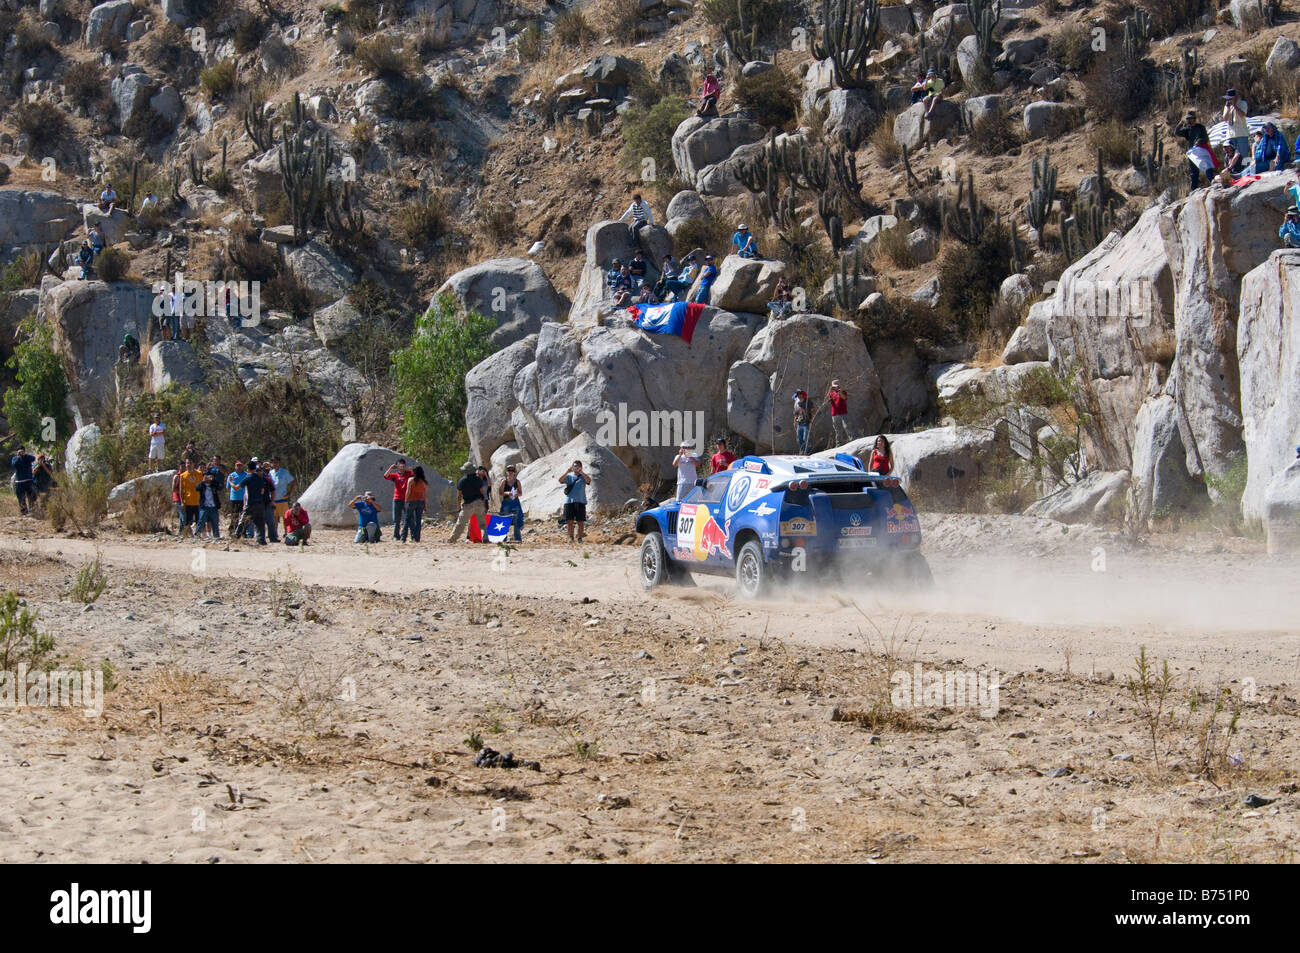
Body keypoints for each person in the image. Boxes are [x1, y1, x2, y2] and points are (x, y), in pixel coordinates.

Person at [449, 464, 487, 543]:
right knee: (482, 524)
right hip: (479, 503)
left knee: (460, 523)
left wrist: (459, 507)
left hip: (468, 505)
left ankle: (452, 539)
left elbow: (459, 495)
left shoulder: (462, 480)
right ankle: (485, 537)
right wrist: (483, 505)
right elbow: (482, 493)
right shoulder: (478, 479)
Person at [235, 463, 271, 544]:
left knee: (243, 520)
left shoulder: (248, 478)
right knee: (260, 523)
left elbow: (236, 488)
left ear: (248, 468)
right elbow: (262, 491)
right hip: (260, 503)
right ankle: (261, 540)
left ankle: (236, 536)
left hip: (250, 503)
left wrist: (230, 482)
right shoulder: (260, 478)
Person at [1174, 109, 1209, 189]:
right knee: (1194, 172)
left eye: (1191, 119)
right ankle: (1193, 189)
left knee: (1207, 168)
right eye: (1188, 119)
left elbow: (1205, 138)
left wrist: (1199, 141)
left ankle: (1211, 182)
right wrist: (1180, 124)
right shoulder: (1187, 129)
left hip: (1201, 150)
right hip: (1192, 152)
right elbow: (1177, 132)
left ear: (1194, 119)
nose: (1189, 121)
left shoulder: (1200, 127)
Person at [559, 459, 591, 542]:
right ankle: (571, 537)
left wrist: (582, 473)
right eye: (574, 466)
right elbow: (560, 480)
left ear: (581, 467)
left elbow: (589, 481)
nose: (575, 467)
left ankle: (580, 538)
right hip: (569, 501)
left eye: (577, 466)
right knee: (569, 521)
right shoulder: (569, 476)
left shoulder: (583, 477)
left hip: (580, 501)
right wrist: (567, 472)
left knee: (580, 521)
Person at [384, 459, 411, 540]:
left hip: (407, 499)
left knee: (408, 518)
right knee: (396, 519)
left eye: (403, 465)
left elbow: (415, 473)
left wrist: (407, 468)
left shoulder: (409, 474)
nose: (401, 467)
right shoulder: (395, 475)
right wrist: (391, 468)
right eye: (399, 465)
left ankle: (406, 535)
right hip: (397, 498)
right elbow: (385, 476)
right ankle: (396, 535)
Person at [498, 465, 524, 543]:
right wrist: (507, 493)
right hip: (506, 502)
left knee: (516, 520)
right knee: (504, 520)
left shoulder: (517, 482)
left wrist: (516, 494)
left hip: (515, 502)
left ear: (514, 473)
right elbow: (500, 493)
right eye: (509, 471)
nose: (510, 473)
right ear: (506, 472)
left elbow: (520, 493)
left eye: (512, 471)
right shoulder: (504, 481)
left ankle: (517, 538)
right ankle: (503, 538)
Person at [402, 466, 429, 542]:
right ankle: (417, 538)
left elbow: (408, 491)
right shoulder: (424, 482)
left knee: (407, 520)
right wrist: (425, 505)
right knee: (418, 520)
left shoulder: (411, 480)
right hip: (420, 501)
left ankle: (403, 537)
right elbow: (426, 495)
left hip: (411, 500)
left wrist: (406, 501)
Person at [178, 460, 205, 537]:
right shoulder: (183, 475)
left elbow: (203, 486)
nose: (188, 464)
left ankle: (199, 534)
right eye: (187, 463)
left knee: (199, 520)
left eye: (190, 463)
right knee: (187, 521)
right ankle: (186, 534)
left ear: (193, 464)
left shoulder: (199, 474)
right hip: (187, 501)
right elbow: (181, 489)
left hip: (197, 501)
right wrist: (182, 502)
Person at [1222, 88, 1250, 161]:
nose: (1229, 100)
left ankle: (1247, 169)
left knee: (1244, 155)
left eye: (1231, 98)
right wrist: (1228, 109)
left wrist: (1235, 106)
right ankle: (1232, 169)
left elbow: (1242, 115)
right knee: (1231, 154)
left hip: (1241, 133)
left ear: (1235, 97)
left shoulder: (1242, 103)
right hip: (1231, 134)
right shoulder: (1227, 106)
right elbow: (1225, 118)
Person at [226, 459, 250, 537]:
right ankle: (232, 531)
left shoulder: (246, 475)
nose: (239, 467)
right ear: (235, 466)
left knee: (243, 516)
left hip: (244, 499)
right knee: (234, 516)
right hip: (234, 498)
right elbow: (228, 488)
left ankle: (243, 532)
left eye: (240, 466)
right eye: (237, 466)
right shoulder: (231, 475)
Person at [9, 446, 37, 515]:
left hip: (29, 480)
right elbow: (14, 465)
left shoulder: (27, 457)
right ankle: (24, 512)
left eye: (22, 451)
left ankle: (32, 510)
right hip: (19, 482)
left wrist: (25, 455)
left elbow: (33, 458)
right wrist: (19, 457)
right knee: (21, 498)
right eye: (19, 451)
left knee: (31, 497)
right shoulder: (15, 458)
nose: (21, 452)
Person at [195, 470, 221, 539]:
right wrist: (203, 481)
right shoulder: (202, 485)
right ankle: (197, 535)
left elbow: (220, 487)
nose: (208, 478)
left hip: (213, 507)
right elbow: (196, 488)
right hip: (204, 506)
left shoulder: (214, 485)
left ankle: (216, 536)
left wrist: (213, 480)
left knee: (215, 523)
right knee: (201, 521)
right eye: (206, 476)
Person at [826, 380, 851, 446]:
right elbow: (826, 401)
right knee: (837, 429)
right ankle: (839, 443)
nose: (836, 387)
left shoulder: (843, 392)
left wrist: (839, 392)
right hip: (835, 414)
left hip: (843, 412)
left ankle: (851, 439)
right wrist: (829, 391)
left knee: (847, 426)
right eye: (834, 386)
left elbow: (844, 397)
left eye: (837, 386)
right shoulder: (831, 394)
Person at [793, 389, 812, 454]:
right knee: (799, 439)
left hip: (807, 423)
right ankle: (802, 451)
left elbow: (812, 411)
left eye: (800, 394)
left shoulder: (807, 402)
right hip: (799, 423)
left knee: (805, 439)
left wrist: (811, 422)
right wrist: (794, 422)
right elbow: (796, 414)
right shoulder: (797, 403)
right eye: (798, 394)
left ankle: (808, 451)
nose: (799, 395)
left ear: (803, 394)